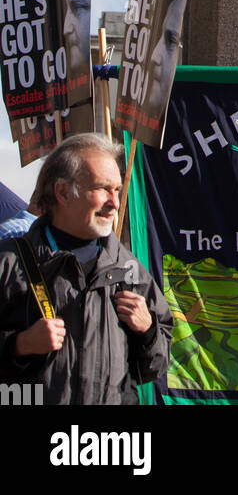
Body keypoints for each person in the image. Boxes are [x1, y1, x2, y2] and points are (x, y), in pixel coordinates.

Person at [0, 133, 172, 403]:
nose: (114, 203)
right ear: (63, 192)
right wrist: (20, 345)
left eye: (116, 190)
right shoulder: (9, 263)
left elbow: (155, 367)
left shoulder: (129, 270)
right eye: (103, 189)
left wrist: (148, 330)